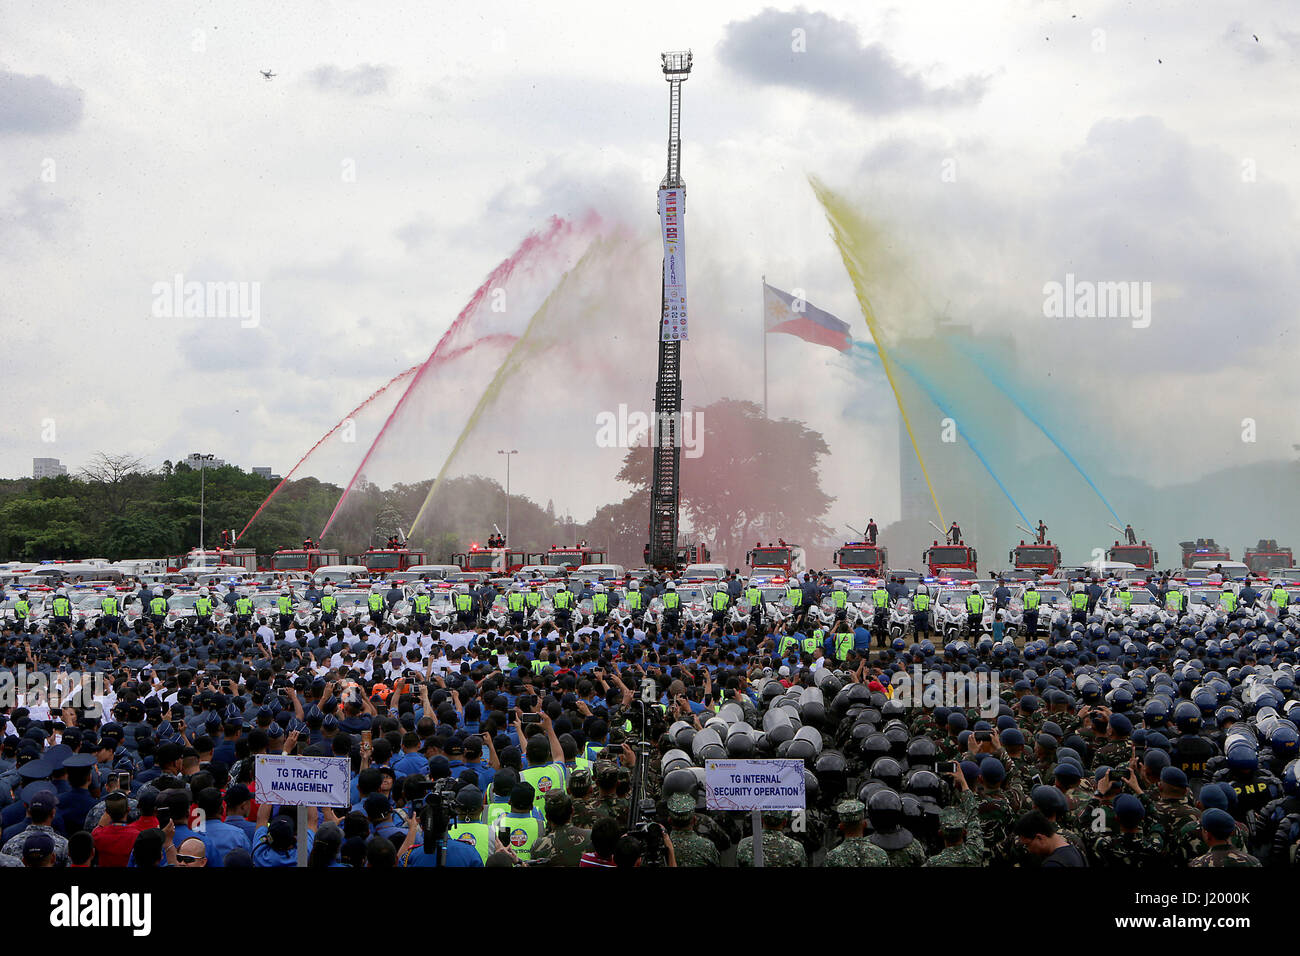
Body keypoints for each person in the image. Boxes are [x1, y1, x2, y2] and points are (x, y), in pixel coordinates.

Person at [1014, 810, 1087, 866]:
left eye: (1027, 845)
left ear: (1039, 838)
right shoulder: (1076, 852)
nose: (1029, 850)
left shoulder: (1053, 864)